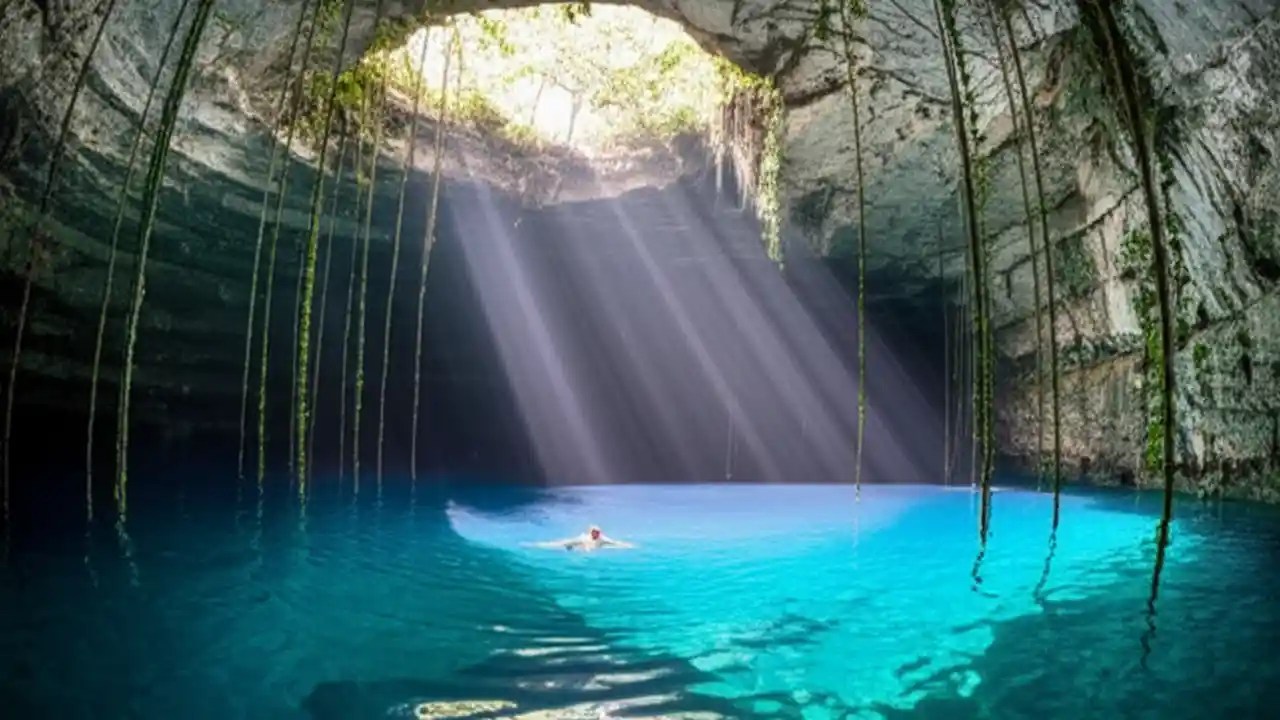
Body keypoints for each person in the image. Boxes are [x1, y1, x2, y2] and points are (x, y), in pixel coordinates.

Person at [526, 525, 634, 552]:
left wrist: (627, 545)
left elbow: (614, 543)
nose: (595, 534)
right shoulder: (586, 537)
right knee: (561, 544)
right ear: (591, 532)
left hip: (587, 546)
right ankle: (536, 545)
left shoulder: (602, 539)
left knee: (584, 548)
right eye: (594, 532)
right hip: (581, 542)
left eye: (597, 533)